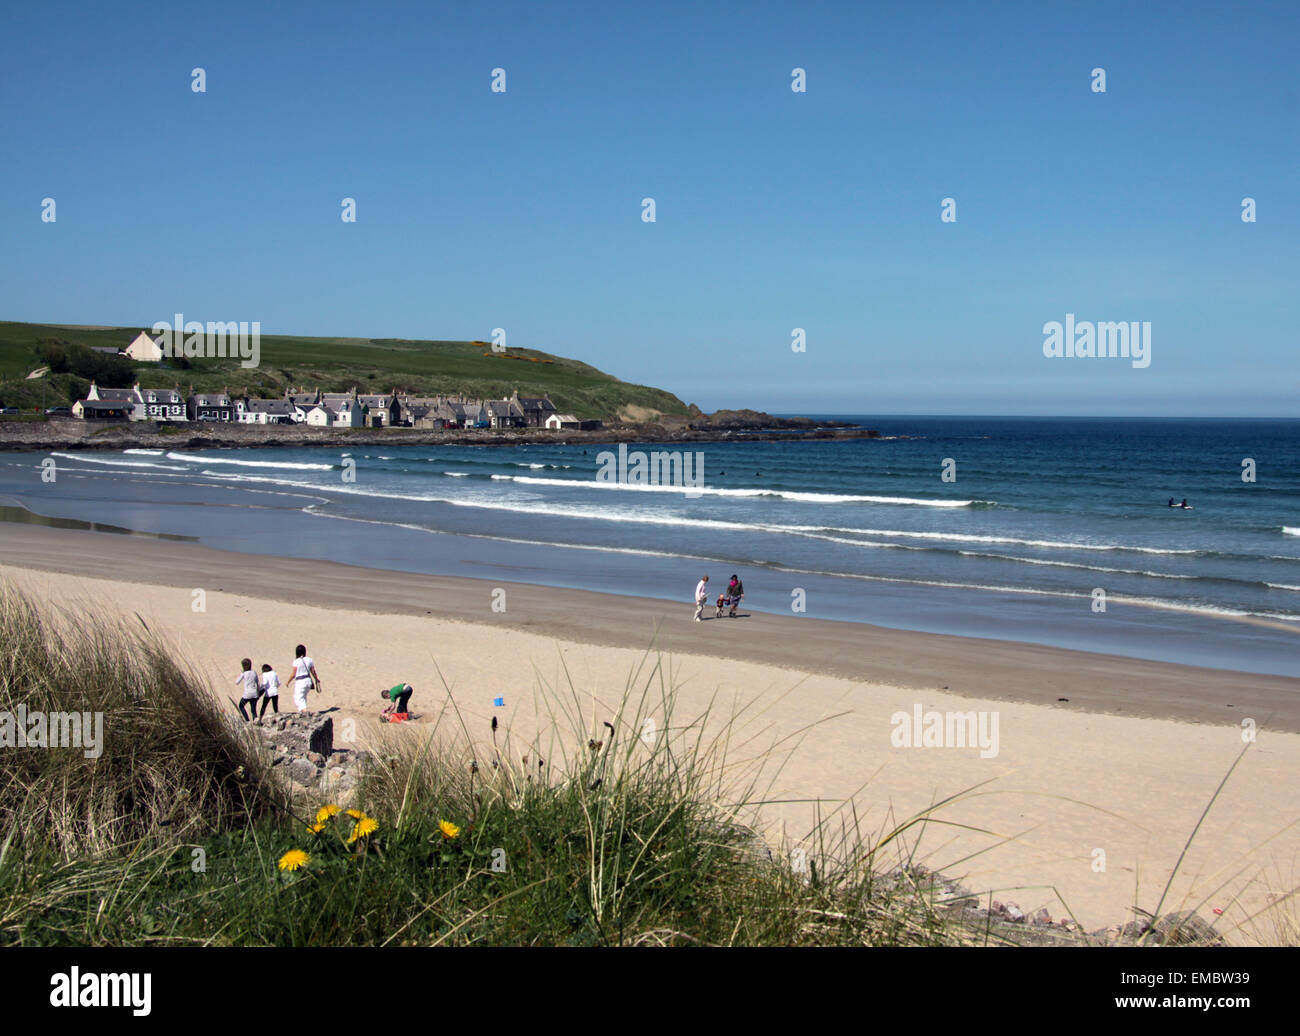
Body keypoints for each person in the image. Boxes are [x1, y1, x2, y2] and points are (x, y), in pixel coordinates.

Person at [289, 644, 321, 714]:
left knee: (297, 698)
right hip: (308, 681)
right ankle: (302, 712)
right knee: (303, 698)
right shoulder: (309, 660)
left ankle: (304, 712)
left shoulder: (296, 661)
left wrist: (288, 682)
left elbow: (293, 674)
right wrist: (316, 679)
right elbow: (313, 671)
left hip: (300, 681)